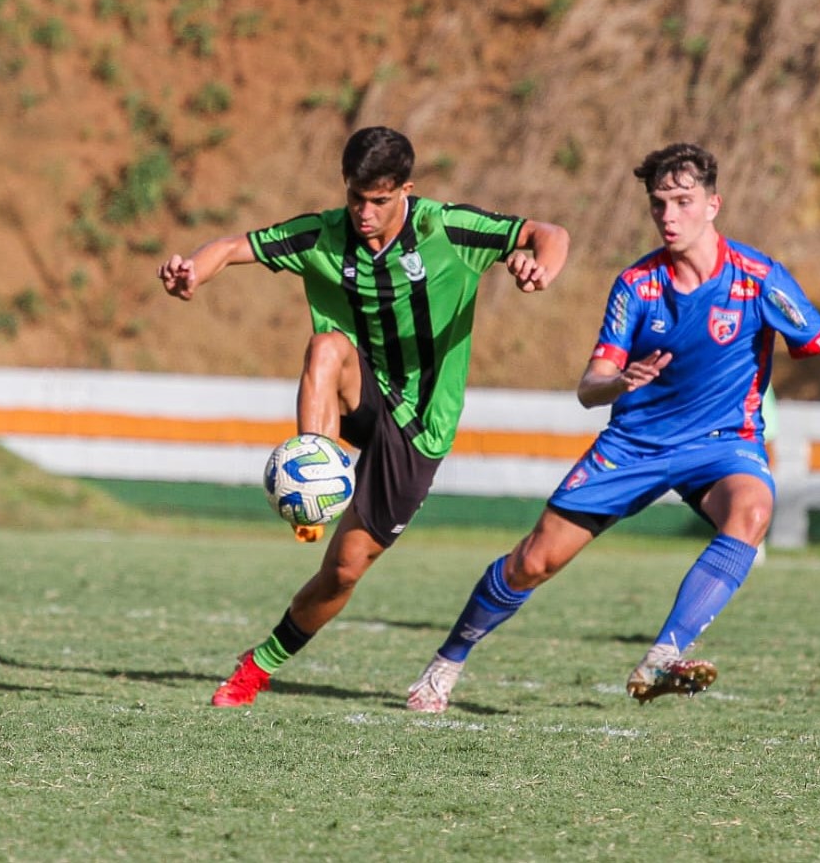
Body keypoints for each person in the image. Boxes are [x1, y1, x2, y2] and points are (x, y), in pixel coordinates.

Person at [404, 142, 820, 714]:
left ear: (713, 204)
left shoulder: (758, 279)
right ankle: (446, 662)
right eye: (659, 204)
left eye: (683, 201)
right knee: (533, 562)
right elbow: (590, 386)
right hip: (635, 444)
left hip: (721, 445)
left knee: (752, 509)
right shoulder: (637, 285)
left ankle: (664, 654)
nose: (669, 216)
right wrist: (620, 382)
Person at [158, 125, 570, 707]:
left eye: (379, 200)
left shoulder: (448, 229)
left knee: (344, 571)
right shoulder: (323, 236)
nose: (365, 213)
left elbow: (548, 233)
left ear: (406, 190)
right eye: (356, 198)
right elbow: (231, 246)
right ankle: (314, 483)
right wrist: (193, 273)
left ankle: (259, 662)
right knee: (327, 346)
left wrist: (542, 267)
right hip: (360, 392)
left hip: (420, 427)